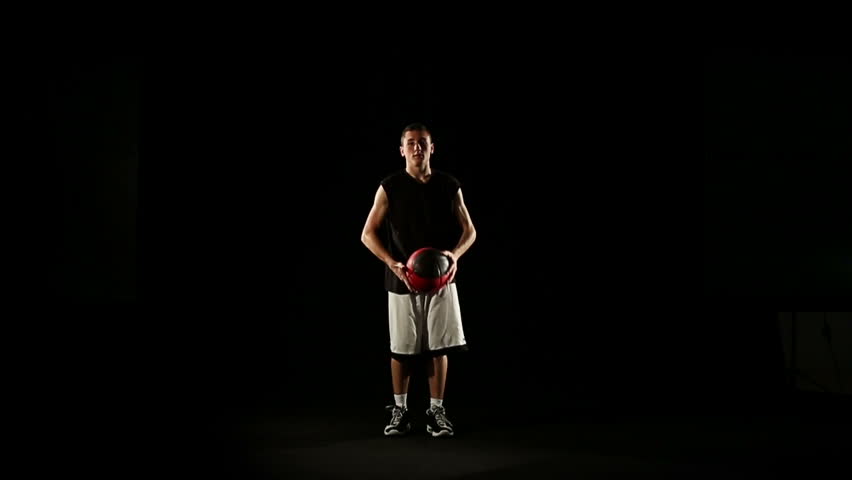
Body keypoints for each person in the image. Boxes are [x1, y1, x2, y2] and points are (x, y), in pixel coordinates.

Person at [361, 122, 477, 437]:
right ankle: (399, 410)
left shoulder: (449, 185)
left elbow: (470, 231)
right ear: (402, 150)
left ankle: (436, 412)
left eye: (422, 142)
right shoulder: (390, 186)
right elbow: (367, 234)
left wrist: (454, 255)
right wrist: (393, 263)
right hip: (401, 278)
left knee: (439, 347)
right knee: (401, 349)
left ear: (431, 147)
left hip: (440, 278)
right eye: (410, 142)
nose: (416, 147)